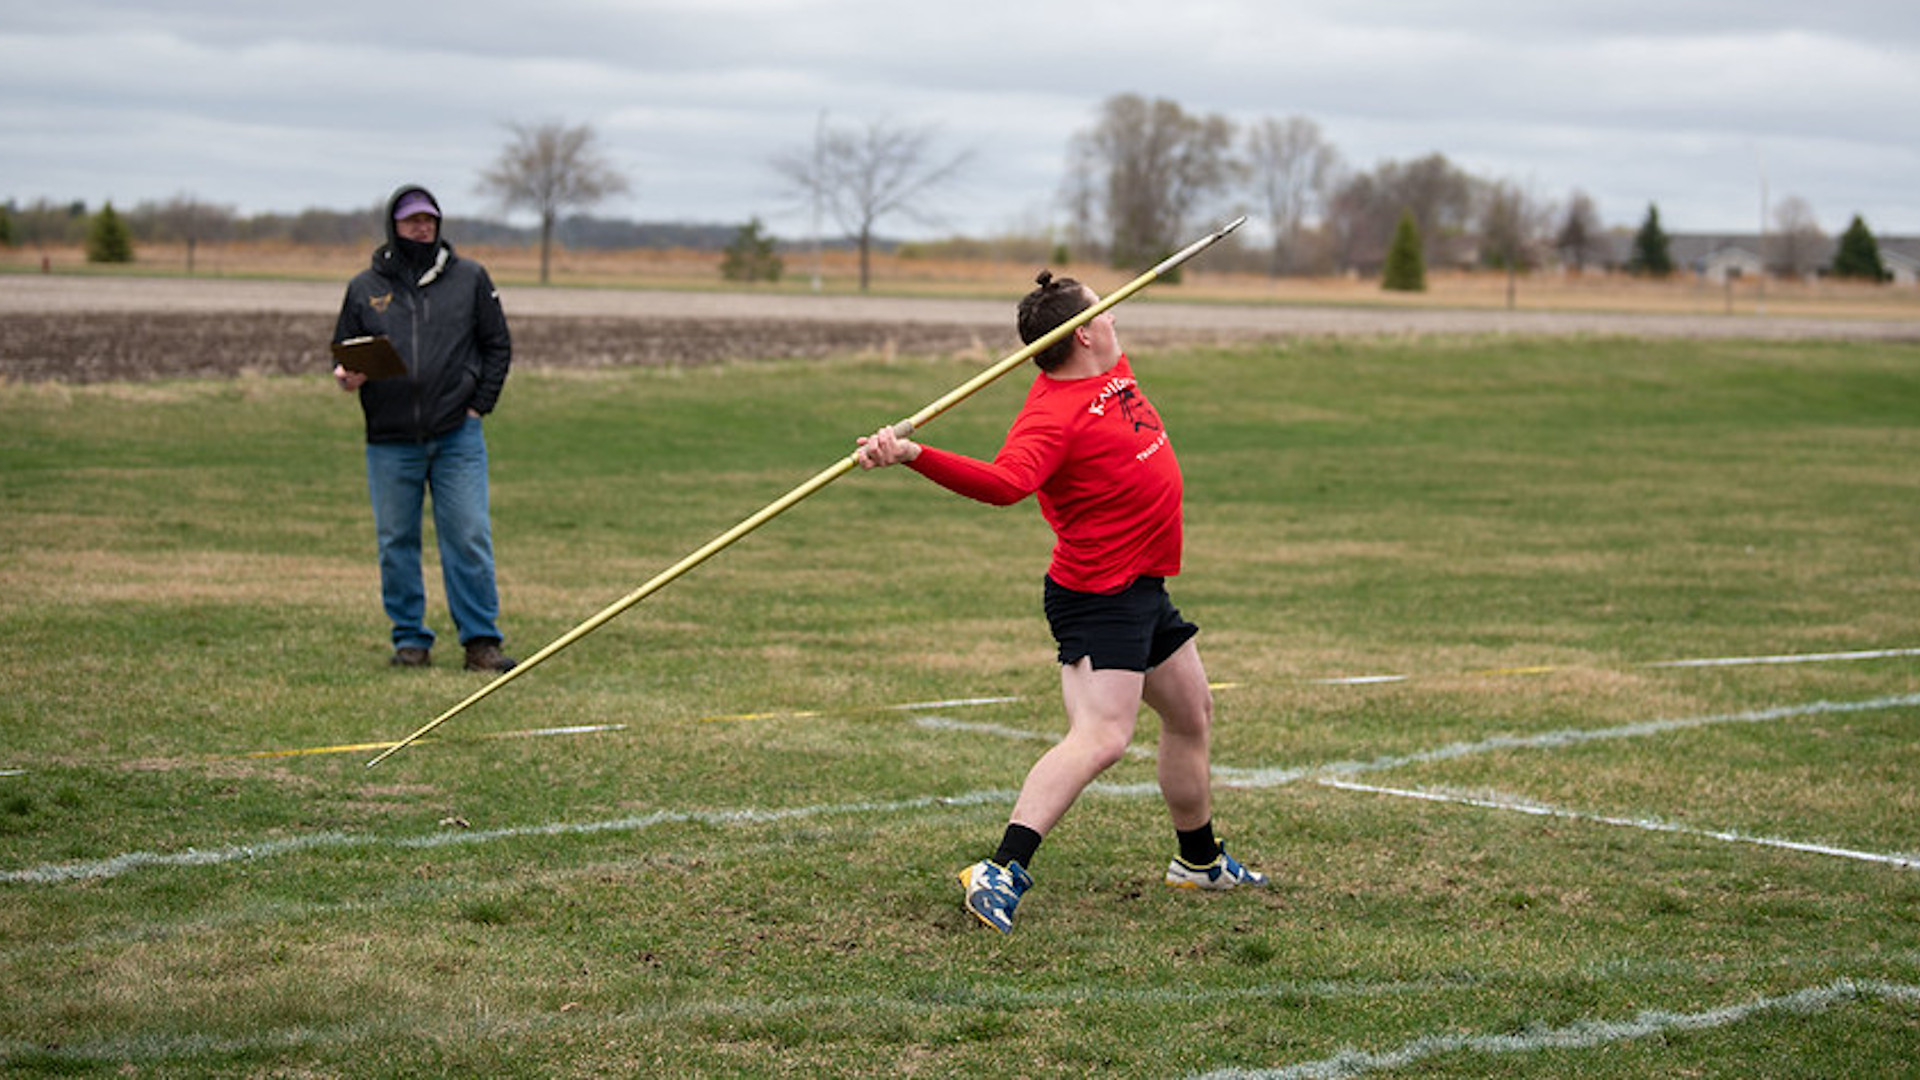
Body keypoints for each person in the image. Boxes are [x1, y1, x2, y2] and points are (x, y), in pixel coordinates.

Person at [856, 270, 1265, 934]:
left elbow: (1085, 324)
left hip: (1143, 585)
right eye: (1104, 309)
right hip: (1099, 594)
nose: (1115, 314)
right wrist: (912, 453)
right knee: (1102, 737)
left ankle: (1198, 862)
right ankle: (1001, 868)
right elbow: (1005, 483)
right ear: (1082, 334)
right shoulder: (1051, 415)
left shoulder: (1110, 364)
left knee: (1192, 711)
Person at [332, 184, 516, 673]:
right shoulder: (364, 288)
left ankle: (481, 643)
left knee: (469, 535)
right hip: (390, 440)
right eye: (413, 220)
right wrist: (348, 375)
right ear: (394, 224)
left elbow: (498, 346)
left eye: (430, 219)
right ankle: (410, 641)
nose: (423, 227)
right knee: (396, 541)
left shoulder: (471, 279)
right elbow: (345, 350)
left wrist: (480, 405)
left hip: (458, 435)